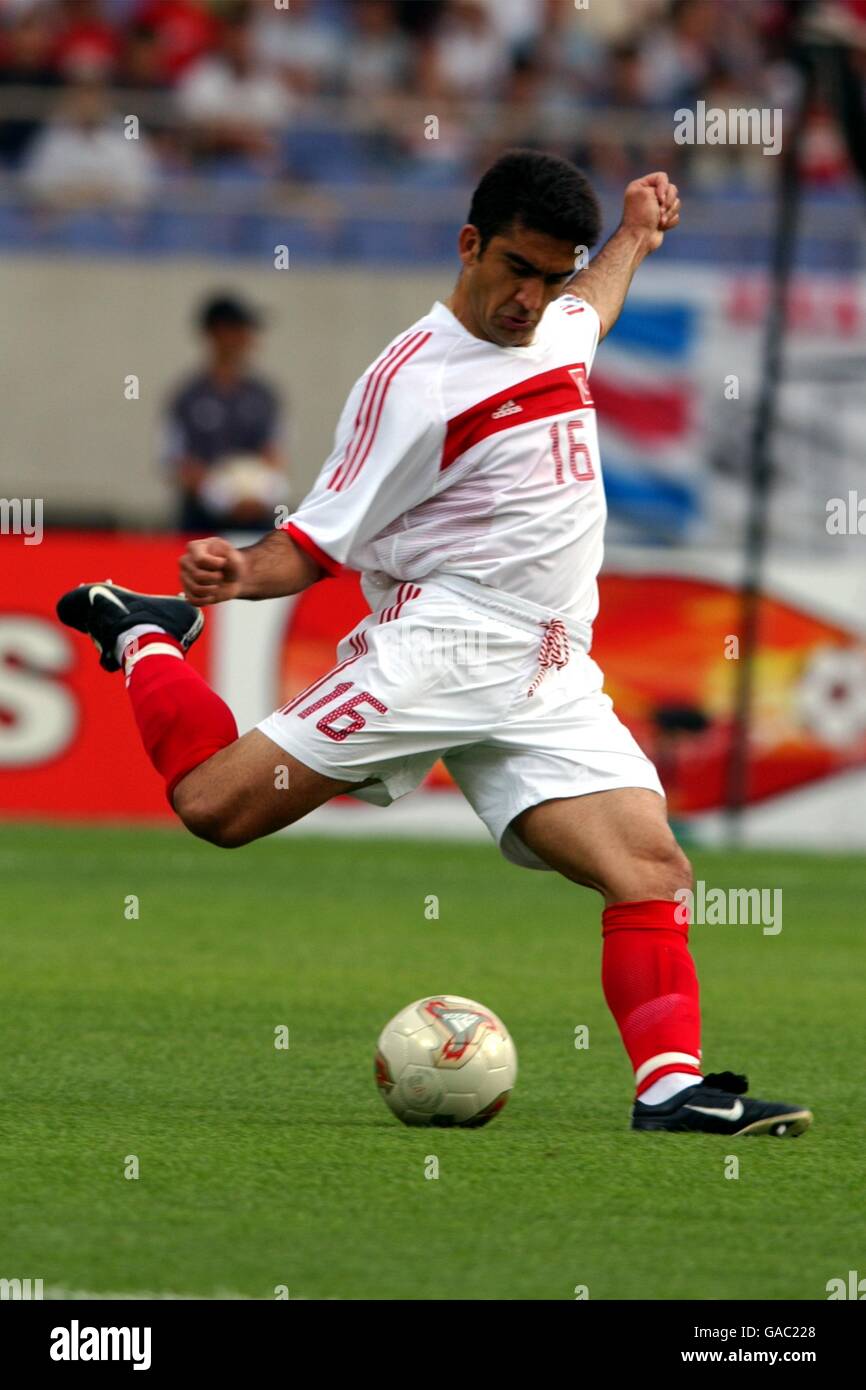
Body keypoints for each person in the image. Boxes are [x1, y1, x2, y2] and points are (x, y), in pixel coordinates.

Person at [57, 149, 812, 1139]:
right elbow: (313, 543)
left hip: (549, 670)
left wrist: (633, 232)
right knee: (213, 807)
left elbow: (594, 301)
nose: (529, 297)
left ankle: (669, 1089)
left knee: (650, 869)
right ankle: (148, 637)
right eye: (512, 269)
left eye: (549, 275)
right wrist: (236, 575)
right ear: (468, 245)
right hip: (442, 650)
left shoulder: (554, 323)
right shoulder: (410, 385)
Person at [162, 293, 287, 532]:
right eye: (238, 329)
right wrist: (223, 496)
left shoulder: (264, 396)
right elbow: (176, 461)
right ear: (216, 333)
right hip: (200, 525)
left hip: (255, 523)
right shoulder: (187, 397)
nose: (247, 338)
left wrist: (259, 493)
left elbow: (275, 455)